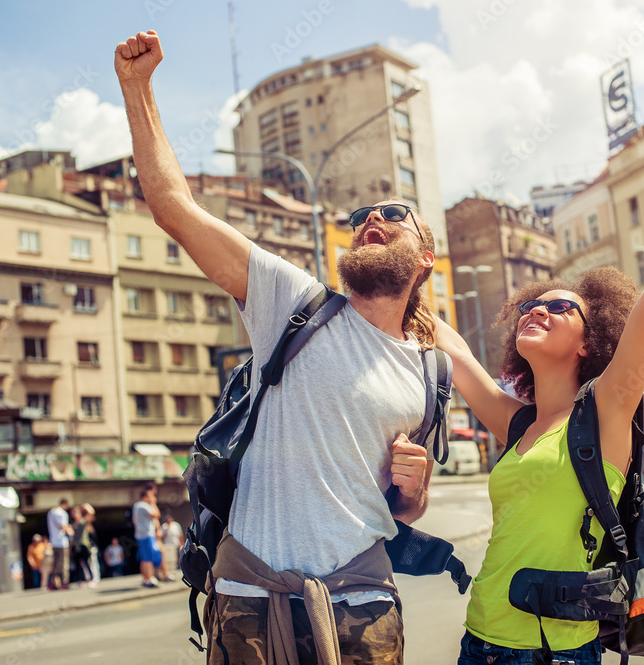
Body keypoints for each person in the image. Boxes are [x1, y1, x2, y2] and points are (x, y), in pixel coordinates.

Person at [116, 30, 439, 663]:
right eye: (362, 217)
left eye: (394, 214)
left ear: (425, 257)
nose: (372, 218)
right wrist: (138, 89)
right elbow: (173, 207)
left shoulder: (431, 373)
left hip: (361, 603)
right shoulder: (295, 304)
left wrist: (417, 488)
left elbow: (403, 505)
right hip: (247, 597)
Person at [436, 129, 644, 664]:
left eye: (560, 307)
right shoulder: (518, 423)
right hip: (478, 641)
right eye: (532, 304)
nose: (538, 309)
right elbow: (452, 349)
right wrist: (402, 267)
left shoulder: (608, 407)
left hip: (555, 653)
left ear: (590, 342)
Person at [132, 486, 162, 588]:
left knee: (144, 558)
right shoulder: (143, 506)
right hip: (146, 535)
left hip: (141, 534)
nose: (152, 497)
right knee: (149, 558)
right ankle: (149, 579)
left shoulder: (137, 506)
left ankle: (146, 578)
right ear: (146, 496)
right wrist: (153, 503)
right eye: (151, 496)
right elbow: (157, 514)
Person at [46, 498, 73, 590]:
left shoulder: (51, 512)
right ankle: (64, 582)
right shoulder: (62, 513)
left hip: (53, 541)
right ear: (65, 504)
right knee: (63, 563)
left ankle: (53, 583)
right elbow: (63, 526)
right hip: (61, 541)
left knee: (55, 564)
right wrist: (71, 531)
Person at [159, 514, 182, 580]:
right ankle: (170, 572)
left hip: (175, 544)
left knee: (176, 558)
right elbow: (163, 537)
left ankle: (175, 570)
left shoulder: (176, 525)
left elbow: (180, 535)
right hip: (168, 545)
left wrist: (181, 543)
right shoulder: (164, 527)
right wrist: (167, 529)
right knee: (169, 559)